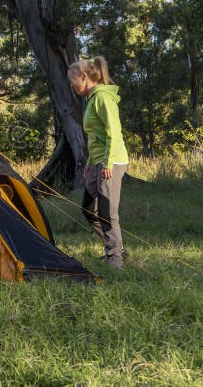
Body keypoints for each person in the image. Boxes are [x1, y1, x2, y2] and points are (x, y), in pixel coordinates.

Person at [67, 57, 129, 269]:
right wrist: (90, 162)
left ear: (84, 77)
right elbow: (96, 135)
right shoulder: (90, 99)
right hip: (98, 161)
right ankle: (116, 249)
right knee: (87, 208)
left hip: (111, 161)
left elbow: (113, 131)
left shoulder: (102, 97)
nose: (72, 85)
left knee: (106, 211)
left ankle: (115, 258)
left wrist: (108, 164)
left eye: (73, 80)